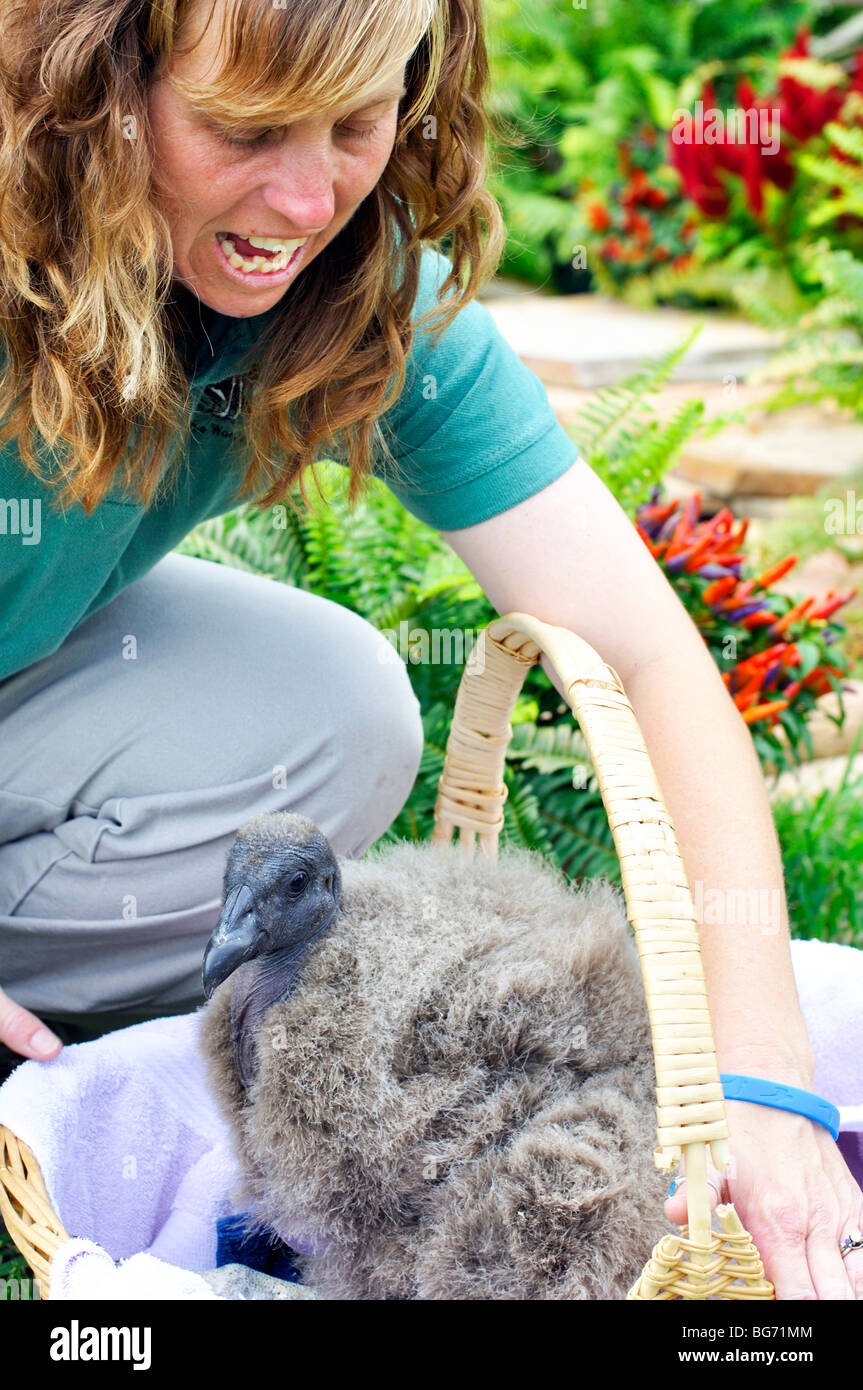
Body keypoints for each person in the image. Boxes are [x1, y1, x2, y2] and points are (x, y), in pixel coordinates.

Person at [0, 0, 860, 1301]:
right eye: (244, 127)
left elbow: (645, 655)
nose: (303, 198)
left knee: (340, 711)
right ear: (99, 87)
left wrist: (759, 1081)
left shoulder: (362, 295)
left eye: (356, 122)